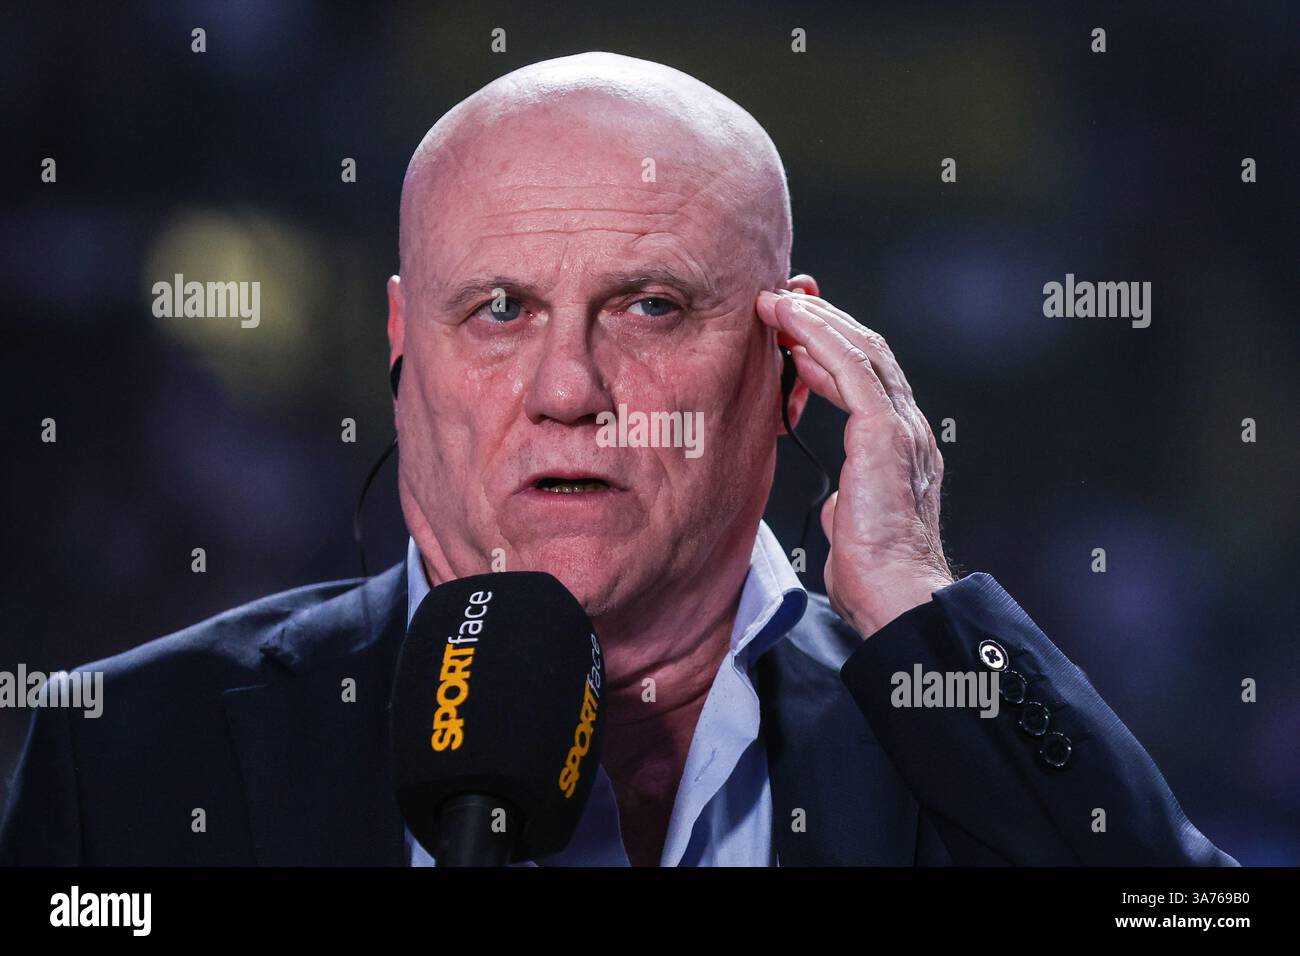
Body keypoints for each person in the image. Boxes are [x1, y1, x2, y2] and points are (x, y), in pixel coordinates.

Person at [0, 52, 1235, 867]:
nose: (566, 389)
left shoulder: (955, 755)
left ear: (793, 354)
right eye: (497, 308)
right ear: (398, 344)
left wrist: (917, 599)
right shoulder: (133, 756)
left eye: (648, 305)